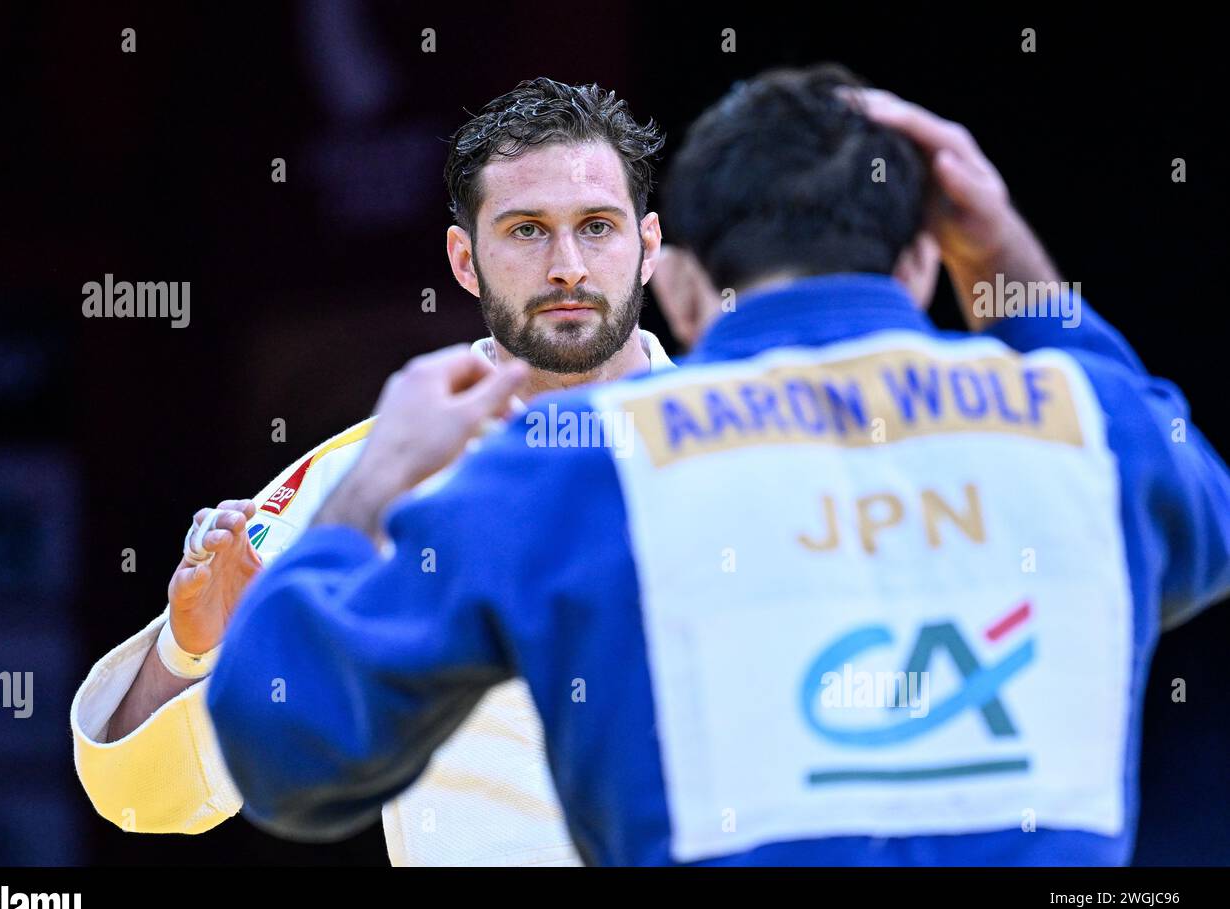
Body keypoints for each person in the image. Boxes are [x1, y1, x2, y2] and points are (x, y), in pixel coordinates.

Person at [206, 64, 1230, 865]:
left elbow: (289, 742)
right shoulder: (1086, 436)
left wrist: (376, 479)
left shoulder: (578, 470)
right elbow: (1204, 524)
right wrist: (1008, 259)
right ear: (926, 259)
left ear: (677, 277)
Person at [69, 78, 674, 866]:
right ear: (464, 259)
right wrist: (191, 654)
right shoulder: (368, 473)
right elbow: (143, 798)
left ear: (650, 245)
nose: (567, 266)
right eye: (526, 231)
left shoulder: (749, 452)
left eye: (596, 227)